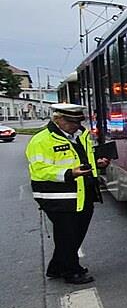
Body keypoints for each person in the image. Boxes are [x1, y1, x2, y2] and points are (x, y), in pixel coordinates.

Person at [25, 104, 110, 284]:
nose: (75, 125)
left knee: (75, 232)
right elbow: (39, 170)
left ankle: (57, 267)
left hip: (82, 192)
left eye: (78, 121)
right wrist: (69, 173)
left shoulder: (81, 136)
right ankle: (71, 271)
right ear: (58, 119)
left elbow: (83, 159)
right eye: (71, 122)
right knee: (68, 234)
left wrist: (97, 162)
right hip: (58, 197)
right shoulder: (41, 140)